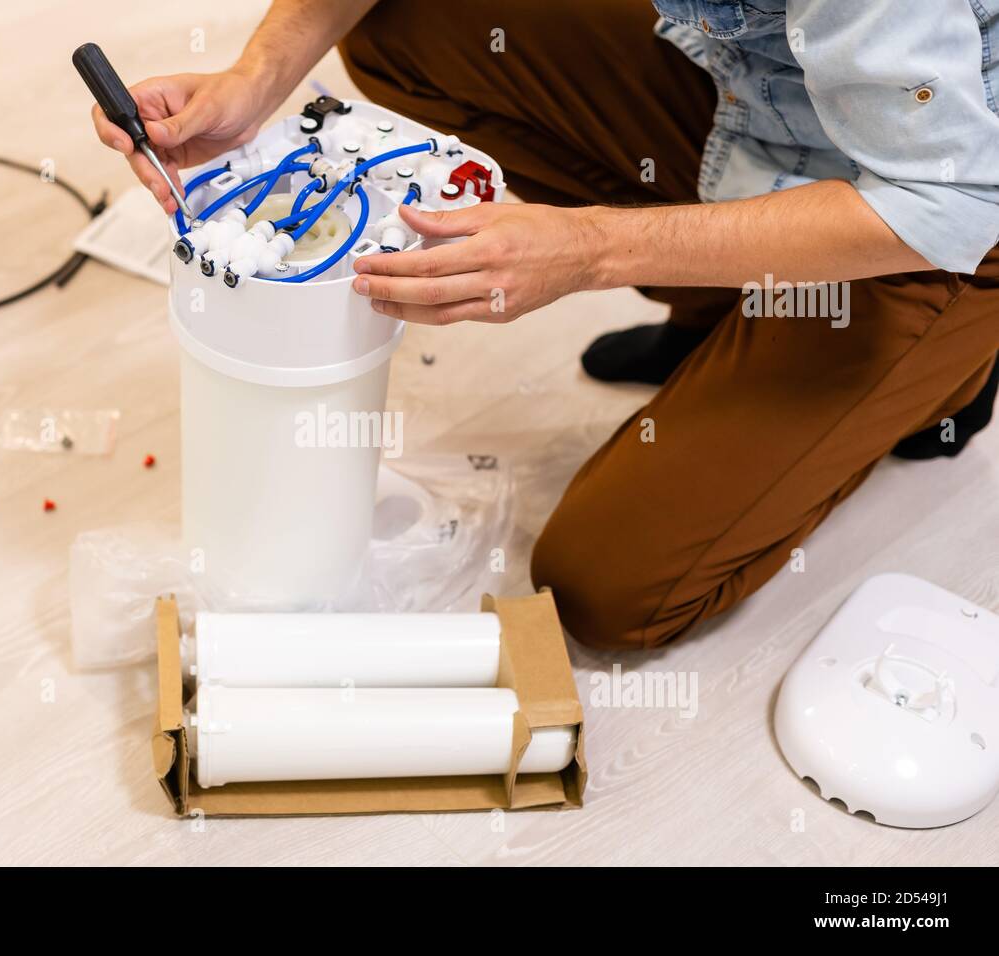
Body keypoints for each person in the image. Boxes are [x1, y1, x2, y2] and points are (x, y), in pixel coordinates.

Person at [91, 0, 999, 650]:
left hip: (939, 213)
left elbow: (946, 196)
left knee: (606, 589)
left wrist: (594, 248)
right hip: (768, 91)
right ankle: (733, 306)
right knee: (407, 26)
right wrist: (256, 80)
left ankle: (940, 371)